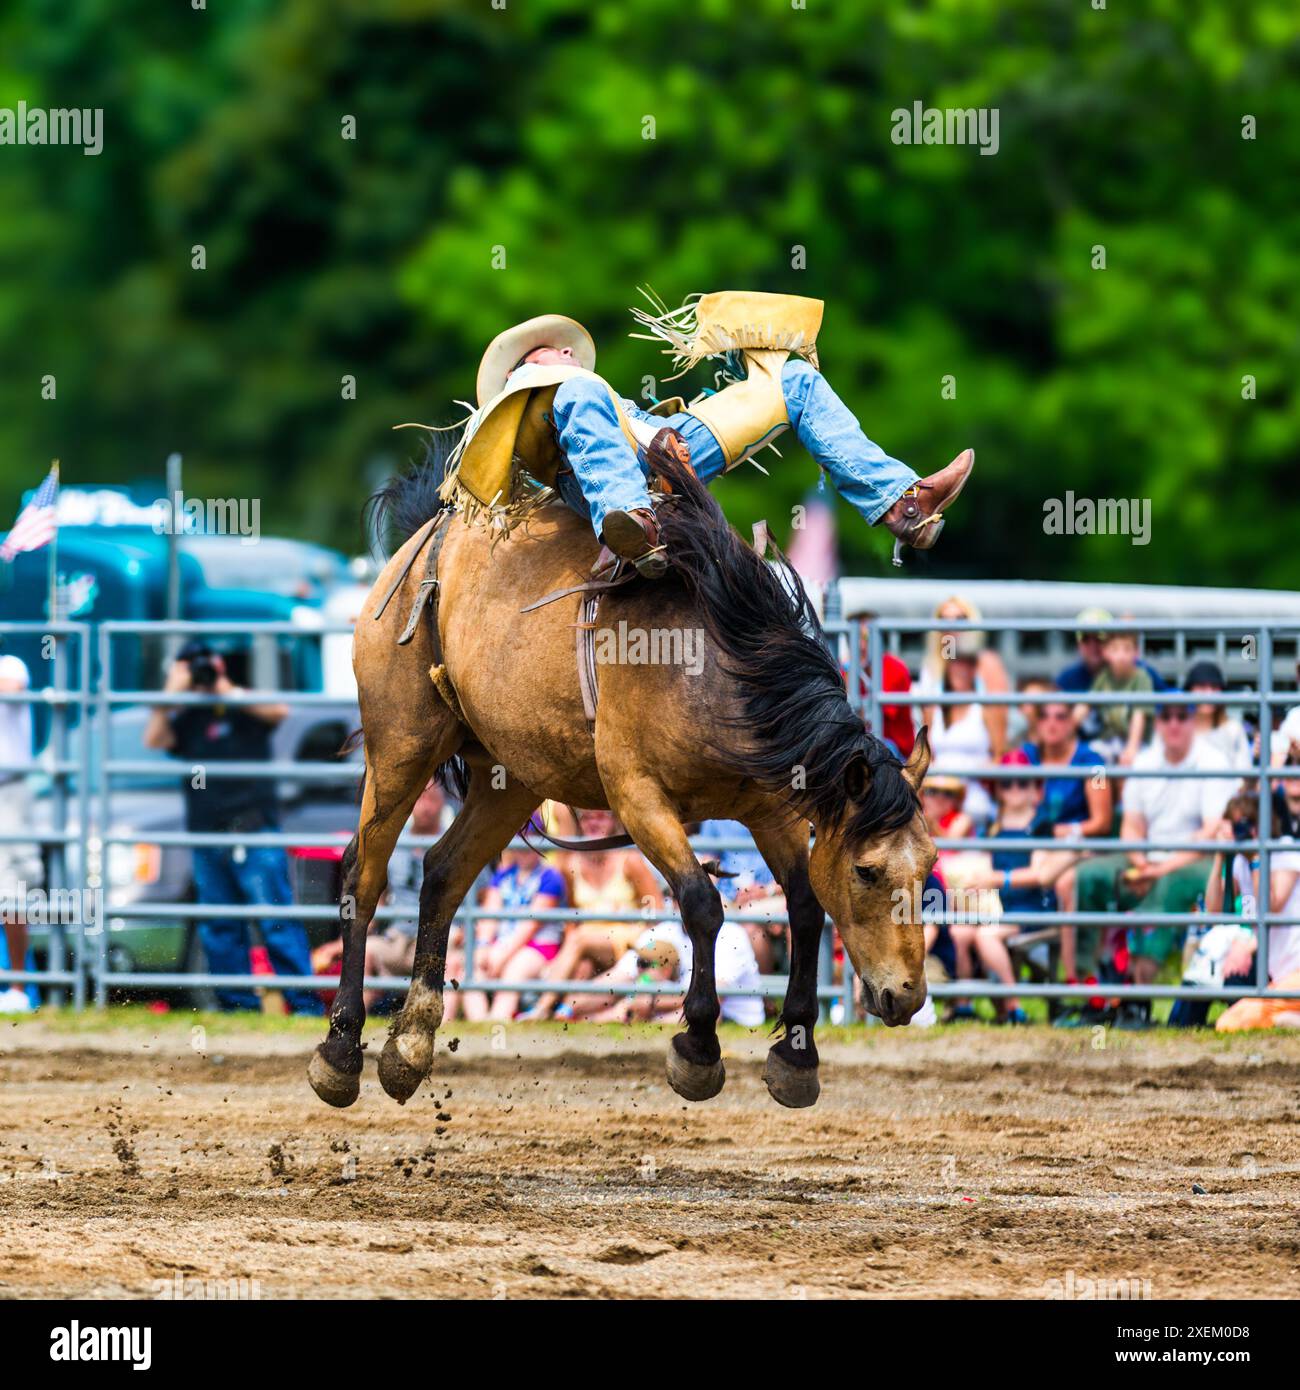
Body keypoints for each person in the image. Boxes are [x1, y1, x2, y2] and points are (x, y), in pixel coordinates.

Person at [452, 296, 975, 578]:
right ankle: (632, 524)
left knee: (792, 381)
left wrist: (735, 348)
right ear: (526, 363)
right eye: (551, 351)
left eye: (564, 350)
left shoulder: (592, 392)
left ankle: (902, 504)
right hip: (594, 468)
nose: (565, 353)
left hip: (657, 440)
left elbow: (623, 419)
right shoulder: (526, 398)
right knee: (577, 397)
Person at [143, 642, 322, 1015]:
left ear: (221, 664)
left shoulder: (243, 704)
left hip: (253, 830)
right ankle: (236, 1007)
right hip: (208, 833)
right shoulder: (188, 715)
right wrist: (170, 694)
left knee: (275, 919)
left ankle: (304, 1006)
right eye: (190, 666)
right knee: (219, 924)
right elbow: (154, 739)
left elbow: (278, 712)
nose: (200, 672)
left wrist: (224, 688)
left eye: (204, 664)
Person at [1073, 690, 1236, 1020]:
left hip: (1197, 862)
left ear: (1193, 720)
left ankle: (1138, 997)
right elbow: (1131, 826)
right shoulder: (1146, 761)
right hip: (1151, 858)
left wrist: (1158, 869)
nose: (1174, 724)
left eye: (1181, 716)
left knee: (1165, 890)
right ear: (1157, 723)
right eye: (1166, 717)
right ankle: (1089, 985)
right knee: (1088, 876)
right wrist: (1139, 861)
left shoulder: (1213, 761)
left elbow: (1212, 834)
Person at [518, 809, 662, 1020]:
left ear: (614, 821)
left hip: (627, 937)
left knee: (579, 940)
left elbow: (656, 907)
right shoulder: (571, 865)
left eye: (601, 817)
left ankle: (542, 1007)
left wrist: (633, 923)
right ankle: (572, 1015)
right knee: (581, 968)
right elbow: (571, 916)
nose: (594, 823)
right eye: (588, 818)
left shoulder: (629, 860)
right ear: (580, 823)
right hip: (587, 943)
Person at [1214, 772, 1300, 1031]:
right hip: (1282, 976)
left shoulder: (1285, 851)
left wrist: (1256, 859)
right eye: (1234, 823)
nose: (1240, 830)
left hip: (1295, 972)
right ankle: (1286, 1021)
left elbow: (1269, 907)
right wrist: (1219, 858)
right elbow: (1216, 910)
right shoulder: (1240, 862)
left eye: (1246, 823)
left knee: (1233, 1023)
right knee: (1228, 1023)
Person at [918, 596, 1009, 828]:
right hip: (937, 789)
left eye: (959, 618)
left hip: (974, 793)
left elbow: (1001, 751)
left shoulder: (987, 665)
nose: (951, 626)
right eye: (944, 619)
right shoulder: (932, 671)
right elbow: (927, 751)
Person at [470, 832, 568, 1021]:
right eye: (520, 841)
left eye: (530, 841)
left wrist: (502, 956)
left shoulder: (550, 877)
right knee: (470, 968)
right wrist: (483, 946)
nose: (524, 849)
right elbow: (489, 913)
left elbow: (531, 925)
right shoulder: (504, 875)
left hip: (539, 946)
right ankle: (477, 1023)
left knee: (515, 970)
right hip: (504, 944)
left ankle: (497, 1021)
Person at [0, 642, 39, 1013]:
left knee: (12, 896)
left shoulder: (10, 664)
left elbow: (13, 686)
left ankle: (18, 988)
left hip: (7, 792)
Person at [1077, 623, 1154, 766]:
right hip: (1109, 740)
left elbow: (1139, 716)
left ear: (1136, 652)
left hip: (1138, 742)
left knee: (1132, 764)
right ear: (1105, 652)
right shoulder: (1104, 677)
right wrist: (1068, 725)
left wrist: (1131, 748)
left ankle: (1125, 788)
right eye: (1115, 649)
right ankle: (1098, 787)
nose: (1121, 655)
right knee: (1094, 761)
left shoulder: (1141, 678)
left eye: (1127, 649)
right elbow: (1084, 706)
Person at [1056, 608, 1164, 696]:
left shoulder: (1142, 673)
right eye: (1086, 639)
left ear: (1111, 642)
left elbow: (1169, 701)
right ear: (1079, 644)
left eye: (1099, 638)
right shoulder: (1068, 679)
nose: (1093, 645)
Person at [851, 618, 915, 758]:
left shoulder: (894, 668)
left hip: (896, 753)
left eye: (865, 638)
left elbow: (873, 718)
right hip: (862, 746)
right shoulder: (848, 669)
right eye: (854, 638)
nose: (860, 646)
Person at [1186, 660, 1251, 770]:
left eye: (1214, 687)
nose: (1209, 693)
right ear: (1189, 690)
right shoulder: (1177, 727)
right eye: (1202, 686)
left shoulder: (1233, 729)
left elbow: (1243, 777)